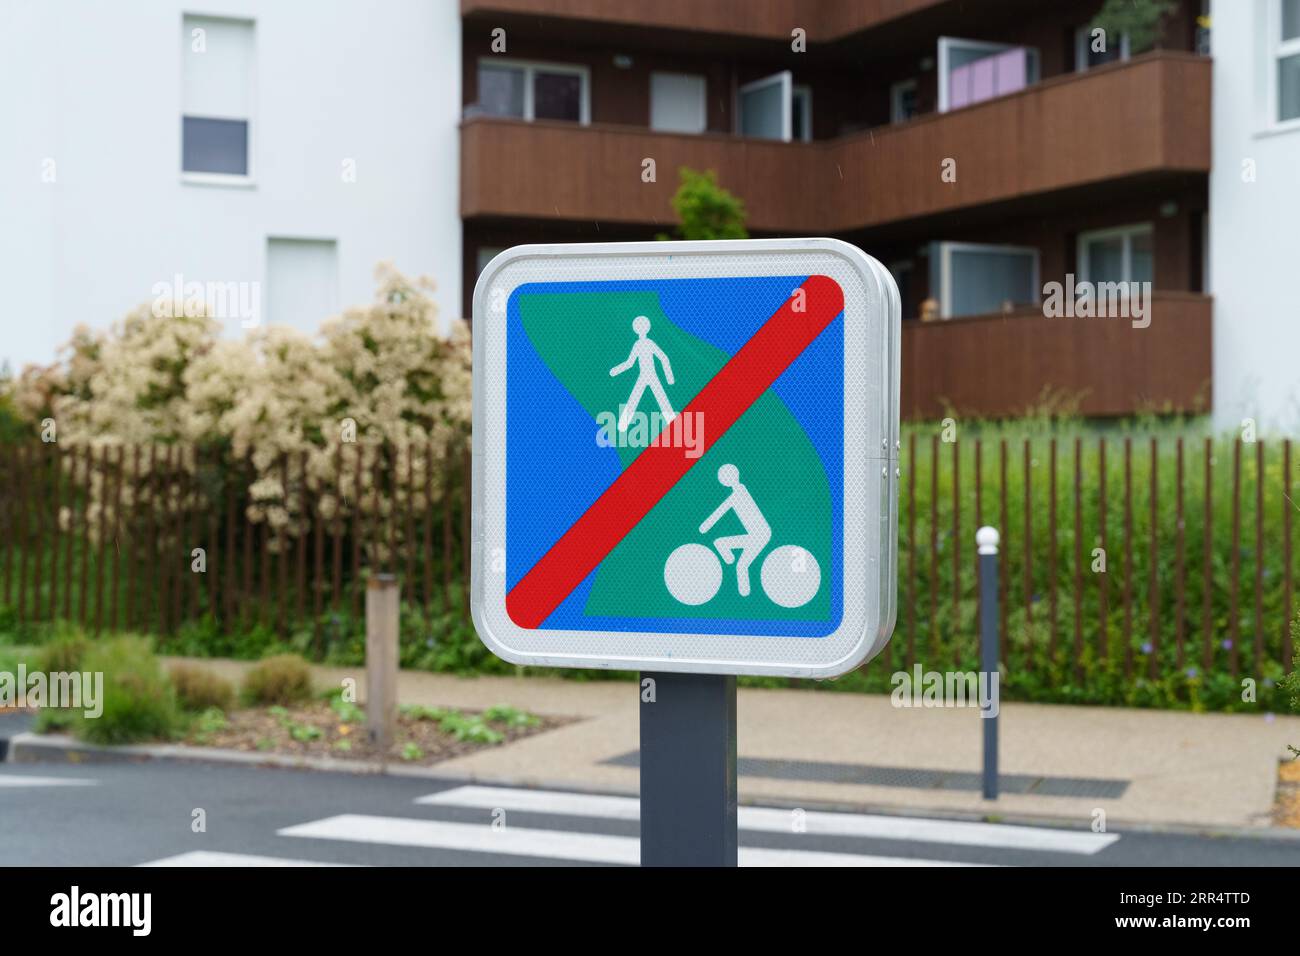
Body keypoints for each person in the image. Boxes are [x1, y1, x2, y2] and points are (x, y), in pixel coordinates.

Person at [699, 464, 771, 597]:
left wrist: (705, 527)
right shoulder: (737, 493)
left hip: (760, 535)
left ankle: (745, 594)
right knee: (726, 550)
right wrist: (705, 526)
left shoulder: (739, 492)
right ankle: (730, 562)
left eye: (727, 476)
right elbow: (721, 510)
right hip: (758, 535)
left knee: (739, 563)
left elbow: (721, 510)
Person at [609, 315, 675, 430]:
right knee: (654, 397)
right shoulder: (640, 344)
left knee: (655, 398)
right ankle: (623, 425)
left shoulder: (646, 343)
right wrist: (615, 371)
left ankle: (623, 425)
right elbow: (630, 363)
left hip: (650, 375)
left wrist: (670, 379)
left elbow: (663, 357)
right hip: (645, 376)